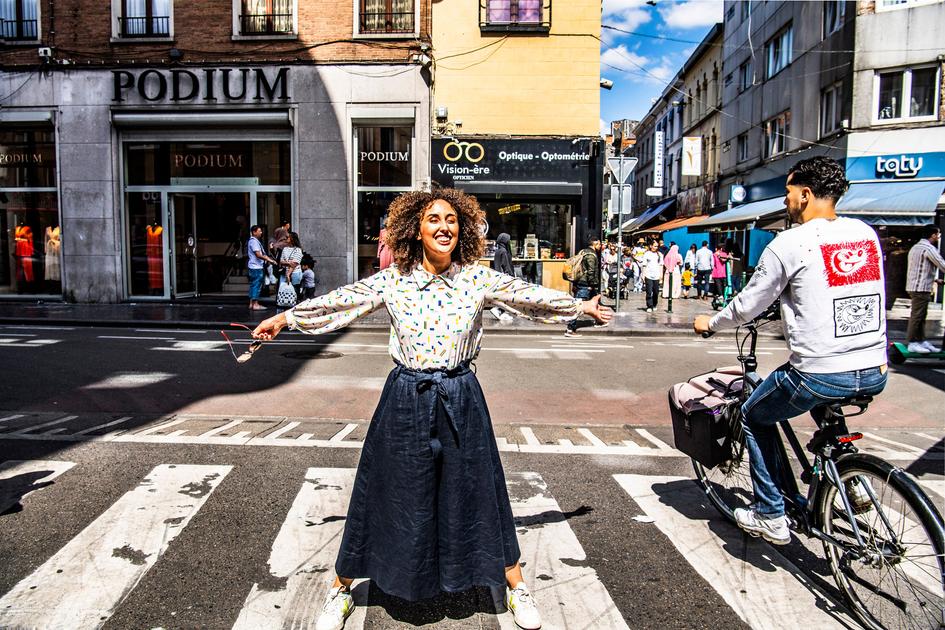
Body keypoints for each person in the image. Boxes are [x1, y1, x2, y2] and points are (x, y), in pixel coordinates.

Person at [252, 188, 612, 630]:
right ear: (415, 229)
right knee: (383, 492)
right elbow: (340, 301)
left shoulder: (477, 279)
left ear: (462, 230)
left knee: (480, 491)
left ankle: (515, 586)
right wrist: (286, 319)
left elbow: (527, 296)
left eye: (451, 220)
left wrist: (579, 306)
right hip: (405, 398)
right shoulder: (394, 280)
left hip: (461, 396)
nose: (444, 227)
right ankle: (341, 588)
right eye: (433, 219)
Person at [694, 156, 888, 546]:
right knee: (825, 401)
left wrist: (711, 323)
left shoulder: (790, 242)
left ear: (806, 194)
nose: (785, 200)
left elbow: (748, 304)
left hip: (819, 372)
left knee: (753, 415)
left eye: (788, 192)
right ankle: (852, 480)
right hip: (874, 368)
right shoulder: (864, 233)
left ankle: (770, 513)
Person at [905, 225, 945, 353]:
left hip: (914, 286)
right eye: (938, 234)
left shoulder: (916, 247)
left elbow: (919, 269)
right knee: (917, 316)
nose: (939, 236)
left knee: (921, 316)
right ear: (933, 235)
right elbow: (942, 264)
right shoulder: (928, 248)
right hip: (921, 288)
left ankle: (921, 341)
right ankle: (912, 342)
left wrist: (935, 280)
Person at [565, 237, 603, 337]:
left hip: (582, 282)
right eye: (599, 244)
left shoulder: (582, 252)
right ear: (595, 244)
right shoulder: (591, 255)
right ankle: (570, 328)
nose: (600, 246)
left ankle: (600, 321)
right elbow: (591, 271)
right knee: (578, 306)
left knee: (596, 302)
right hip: (586, 284)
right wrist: (592, 285)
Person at [247, 224, 277, 310]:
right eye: (259, 231)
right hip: (256, 267)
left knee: (253, 285)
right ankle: (255, 304)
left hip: (254, 267)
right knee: (257, 285)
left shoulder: (253, 241)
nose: (261, 232)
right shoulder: (254, 242)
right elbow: (258, 254)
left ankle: (251, 304)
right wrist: (269, 259)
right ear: (254, 232)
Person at [491, 232, 515, 323]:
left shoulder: (498, 251)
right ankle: (498, 309)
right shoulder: (504, 251)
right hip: (504, 277)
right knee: (507, 296)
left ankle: (500, 311)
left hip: (499, 277)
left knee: (503, 295)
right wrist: (511, 275)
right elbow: (506, 265)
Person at [641, 240, 663, 312]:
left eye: (657, 246)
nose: (656, 247)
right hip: (648, 275)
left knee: (656, 291)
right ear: (651, 246)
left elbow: (661, 265)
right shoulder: (647, 254)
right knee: (649, 291)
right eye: (655, 246)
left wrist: (661, 275)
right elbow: (644, 265)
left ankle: (654, 304)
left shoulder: (660, 254)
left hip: (656, 275)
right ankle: (649, 306)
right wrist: (643, 274)